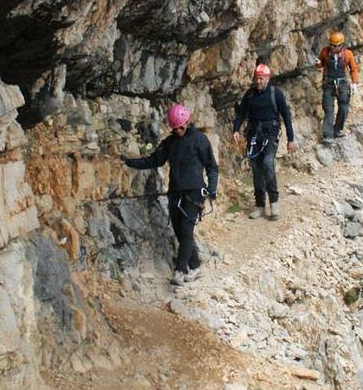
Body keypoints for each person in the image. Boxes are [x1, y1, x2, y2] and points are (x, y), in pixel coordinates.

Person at [122, 104, 218, 286]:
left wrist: (212, 189)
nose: (179, 131)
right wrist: (130, 162)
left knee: (186, 230)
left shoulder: (200, 140)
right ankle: (195, 266)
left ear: (187, 122)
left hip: (195, 193)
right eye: (175, 128)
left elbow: (212, 167)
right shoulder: (170, 142)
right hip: (175, 193)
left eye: (181, 127)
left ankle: (180, 271)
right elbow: (155, 160)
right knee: (179, 231)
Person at [232, 64, 295, 220]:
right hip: (253, 137)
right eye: (256, 78)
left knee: (267, 163)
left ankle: (274, 203)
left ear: (268, 78)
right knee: (256, 169)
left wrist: (291, 139)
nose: (258, 81)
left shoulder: (276, 94)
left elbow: (286, 116)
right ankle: (260, 205)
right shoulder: (250, 95)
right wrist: (236, 129)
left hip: (270, 136)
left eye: (261, 78)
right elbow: (241, 113)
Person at [315, 30, 359, 140]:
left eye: (335, 46)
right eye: (331, 45)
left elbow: (353, 69)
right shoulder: (325, 52)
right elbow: (320, 65)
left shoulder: (347, 54)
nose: (333, 47)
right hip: (328, 83)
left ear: (341, 45)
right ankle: (327, 134)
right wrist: (317, 62)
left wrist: (354, 83)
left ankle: (337, 130)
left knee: (344, 108)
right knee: (328, 109)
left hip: (342, 83)